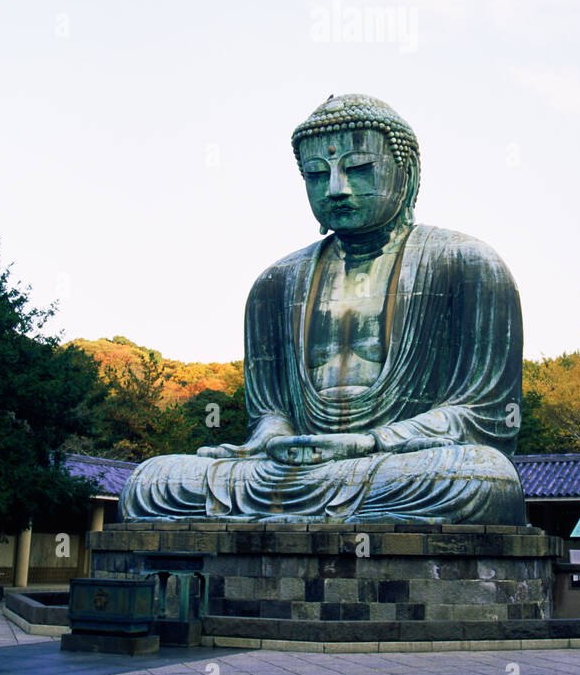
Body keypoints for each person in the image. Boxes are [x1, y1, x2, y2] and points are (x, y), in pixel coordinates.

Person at [119, 93, 526, 524]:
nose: (336, 188)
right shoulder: (275, 283)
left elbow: (489, 417)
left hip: (397, 463)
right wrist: (275, 438)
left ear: (405, 174)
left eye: (358, 168)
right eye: (316, 174)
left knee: (483, 478)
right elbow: (270, 413)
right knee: (151, 483)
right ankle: (309, 511)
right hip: (293, 470)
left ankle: (288, 514)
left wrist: (370, 443)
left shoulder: (466, 264)